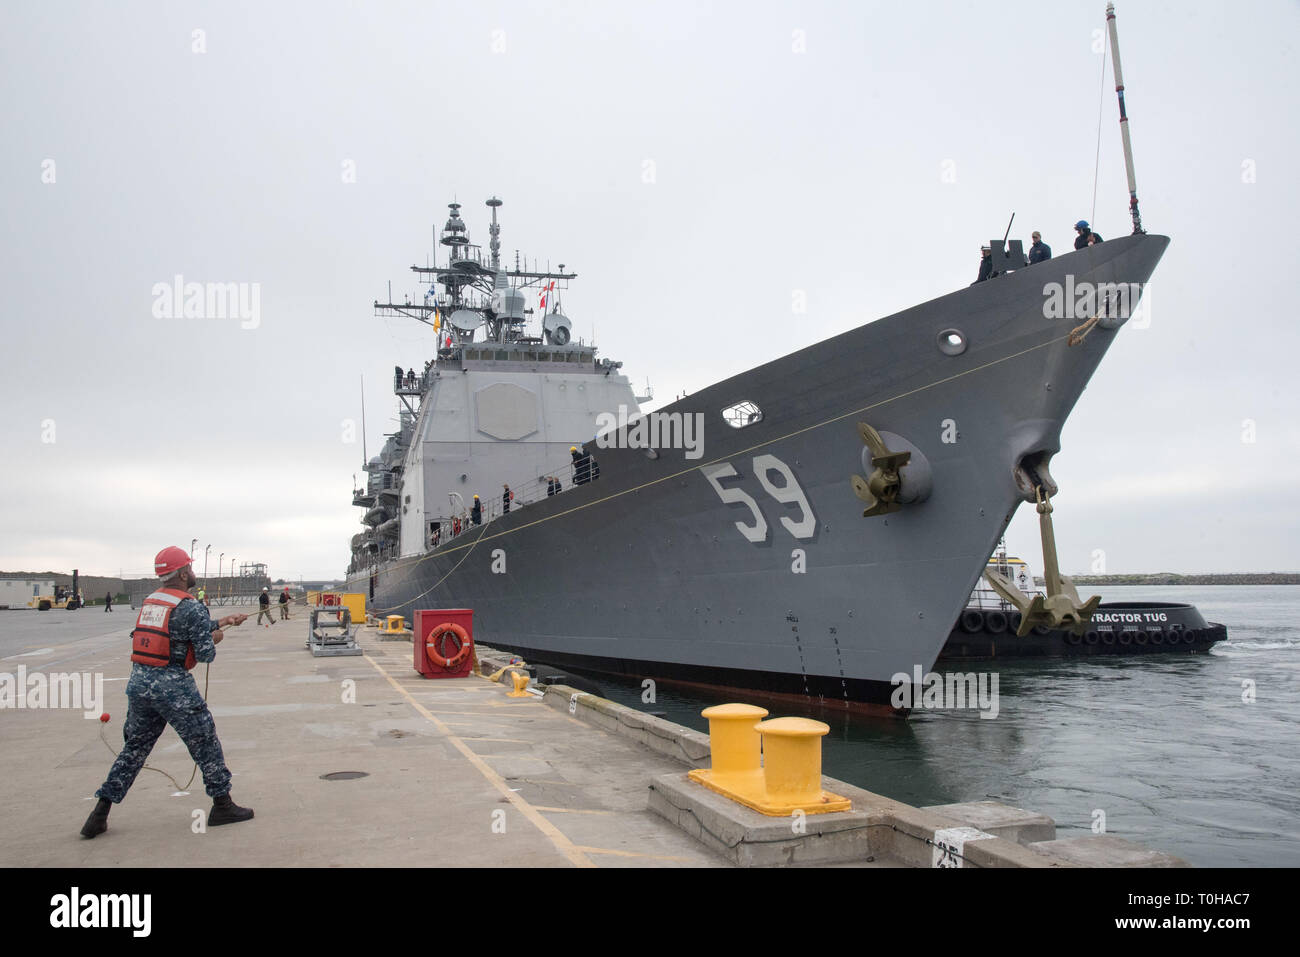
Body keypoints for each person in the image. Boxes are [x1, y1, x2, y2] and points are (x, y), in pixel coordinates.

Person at [80, 546, 253, 838]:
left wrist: (223, 620)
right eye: (191, 567)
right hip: (173, 689)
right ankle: (222, 804)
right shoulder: (191, 606)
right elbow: (205, 653)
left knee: (133, 750)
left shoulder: (152, 602)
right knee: (205, 743)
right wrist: (216, 636)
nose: (193, 572)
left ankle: (99, 813)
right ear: (184, 572)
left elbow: (175, 629)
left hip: (140, 685)